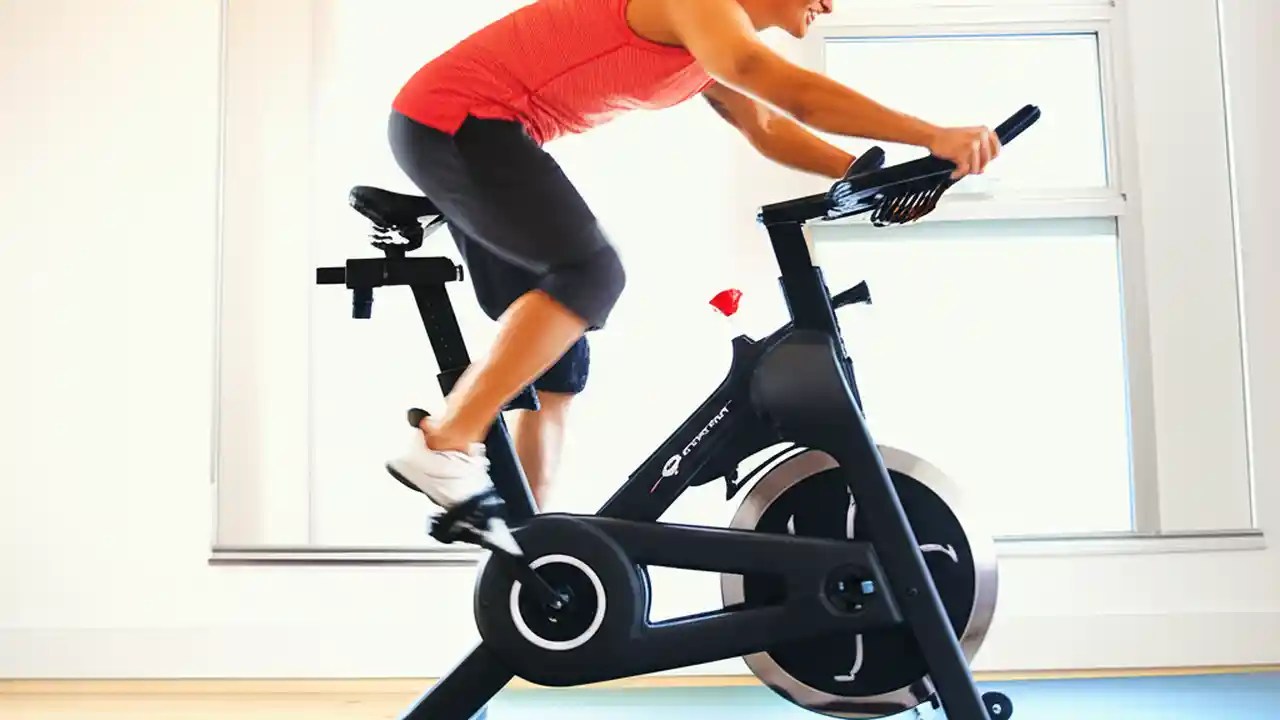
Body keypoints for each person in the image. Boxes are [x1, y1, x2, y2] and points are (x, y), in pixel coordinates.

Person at [385, 0, 1000, 552]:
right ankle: (444, 444)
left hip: (483, 131)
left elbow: (766, 127)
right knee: (590, 273)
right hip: (458, 120)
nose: (829, 4)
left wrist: (866, 175)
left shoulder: (709, 47)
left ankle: (534, 548)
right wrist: (932, 135)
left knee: (558, 356)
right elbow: (783, 87)